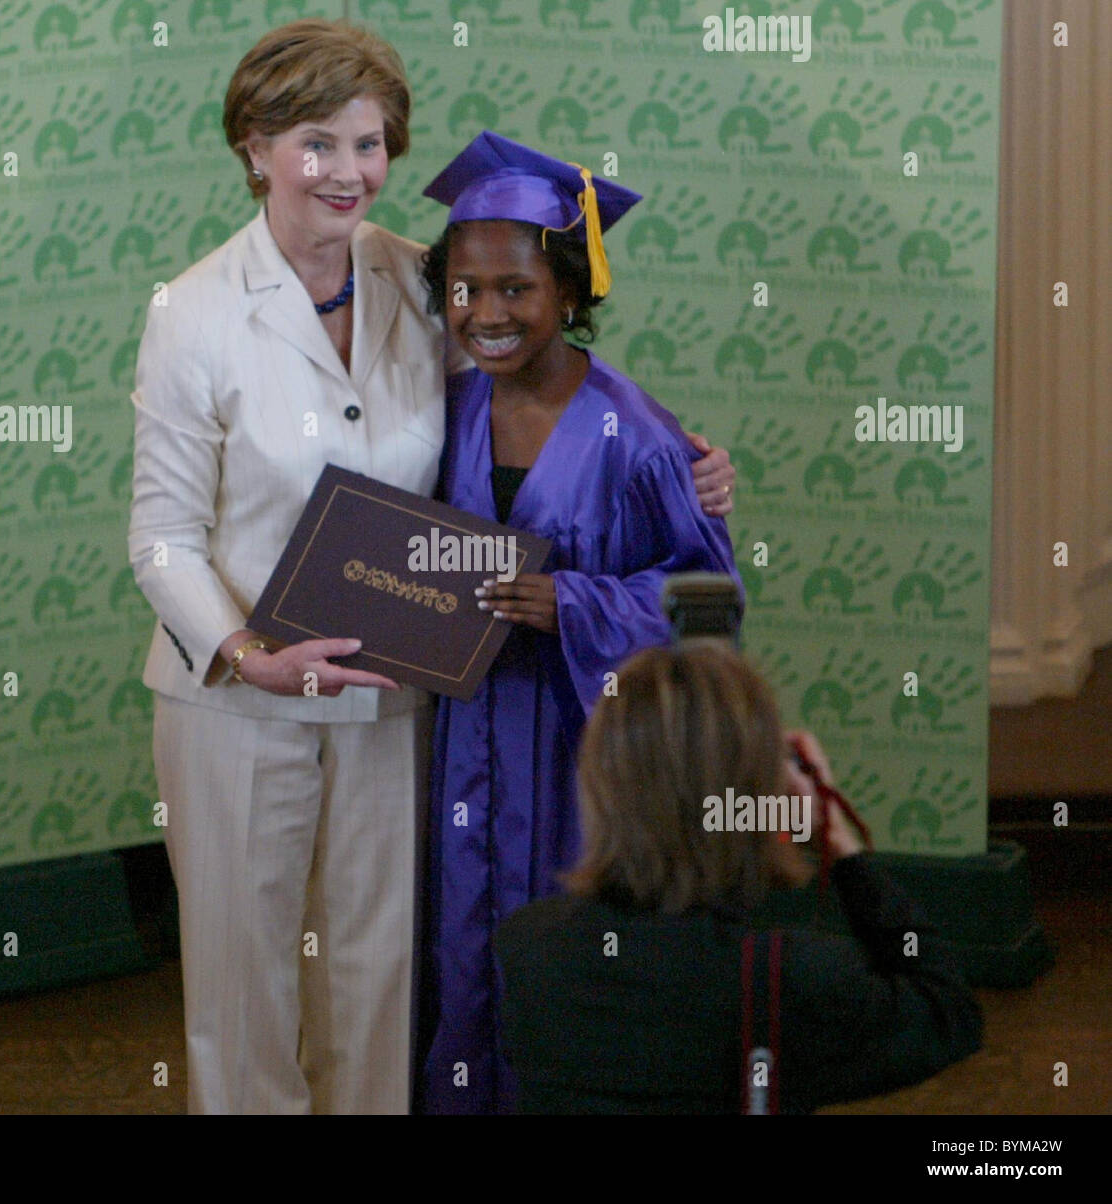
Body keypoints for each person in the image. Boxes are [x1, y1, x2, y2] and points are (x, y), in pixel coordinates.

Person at [129, 21, 735, 1114]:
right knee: (243, 981)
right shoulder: (194, 314)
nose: (348, 171)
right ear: (254, 147)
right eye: (317, 143)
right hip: (240, 704)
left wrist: (683, 458)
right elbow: (161, 535)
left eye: (369, 144)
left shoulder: (422, 279)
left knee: (376, 976)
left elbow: (537, 382)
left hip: (399, 693)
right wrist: (243, 653)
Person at [414, 132, 741, 1114]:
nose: (486, 313)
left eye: (514, 288)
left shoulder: (637, 435)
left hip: (580, 747)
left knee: (569, 954)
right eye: (464, 290)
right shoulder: (441, 413)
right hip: (462, 739)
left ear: (567, 288)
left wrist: (577, 603)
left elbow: (711, 609)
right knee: (460, 949)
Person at [496, 644, 984, 1113]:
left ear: (603, 782)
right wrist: (840, 847)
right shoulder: (792, 979)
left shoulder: (528, 947)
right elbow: (950, 1013)